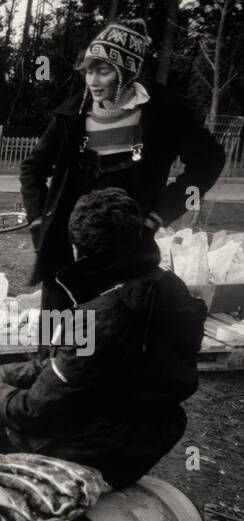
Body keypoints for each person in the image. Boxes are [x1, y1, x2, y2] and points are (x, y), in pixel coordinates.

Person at [0, 188, 205, 521]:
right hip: (141, 440)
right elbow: (56, 368)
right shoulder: (168, 287)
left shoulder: (91, 315)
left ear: (78, 250)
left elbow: (35, 411)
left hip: (91, 447)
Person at [21, 19, 224, 312]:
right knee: (60, 329)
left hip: (127, 244)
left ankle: (93, 356)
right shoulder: (73, 114)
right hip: (68, 244)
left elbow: (209, 160)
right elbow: (33, 167)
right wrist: (39, 218)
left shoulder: (165, 113)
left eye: (103, 72)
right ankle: (52, 359)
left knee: (115, 325)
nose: (93, 81)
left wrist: (161, 212)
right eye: (88, 71)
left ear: (126, 73)